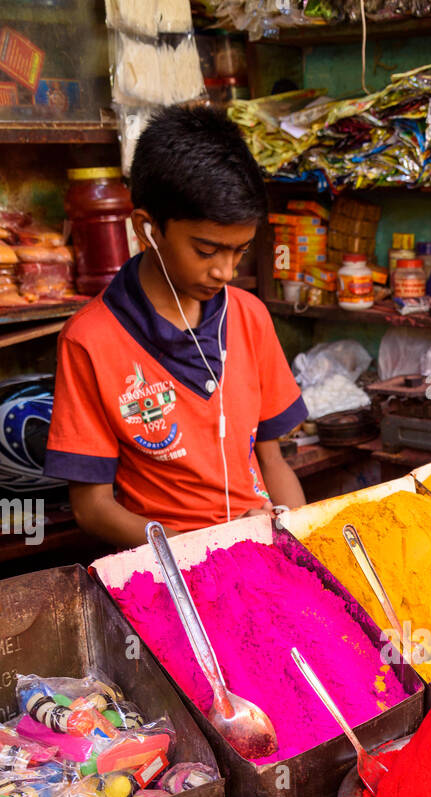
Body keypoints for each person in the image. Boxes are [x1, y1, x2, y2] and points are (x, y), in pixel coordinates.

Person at [45, 105, 307, 546]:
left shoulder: (249, 316)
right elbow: (92, 507)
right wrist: (198, 548)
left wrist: (297, 538)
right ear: (148, 229)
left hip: (260, 546)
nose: (225, 271)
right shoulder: (90, 341)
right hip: (170, 566)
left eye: (239, 251)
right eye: (206, 251)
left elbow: (272, 459)